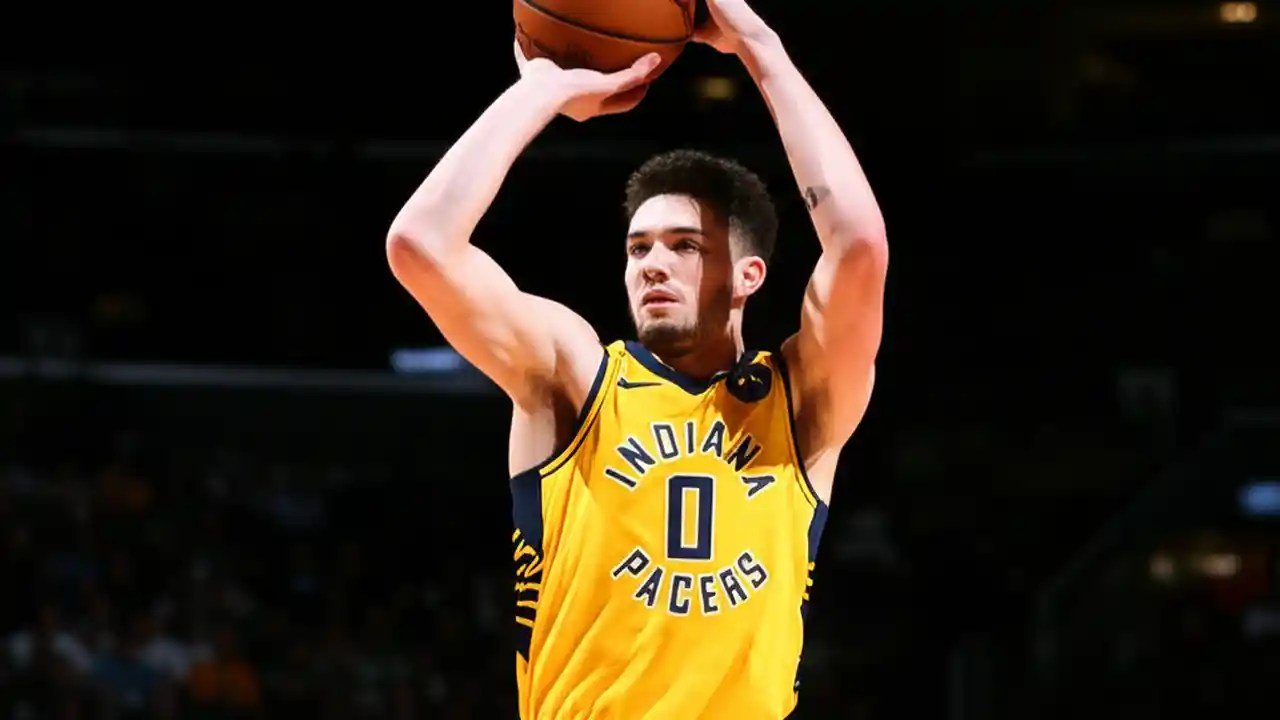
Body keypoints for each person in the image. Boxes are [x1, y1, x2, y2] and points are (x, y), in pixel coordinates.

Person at [385, 1, 888, 717]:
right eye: (638, 247)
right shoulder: (576, 375)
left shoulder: (800, 404)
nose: (652, 264)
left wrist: (759, 46)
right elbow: (420, 246)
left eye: (685, 246)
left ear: (748, 275)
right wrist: (543, 90)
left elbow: (861, 246)